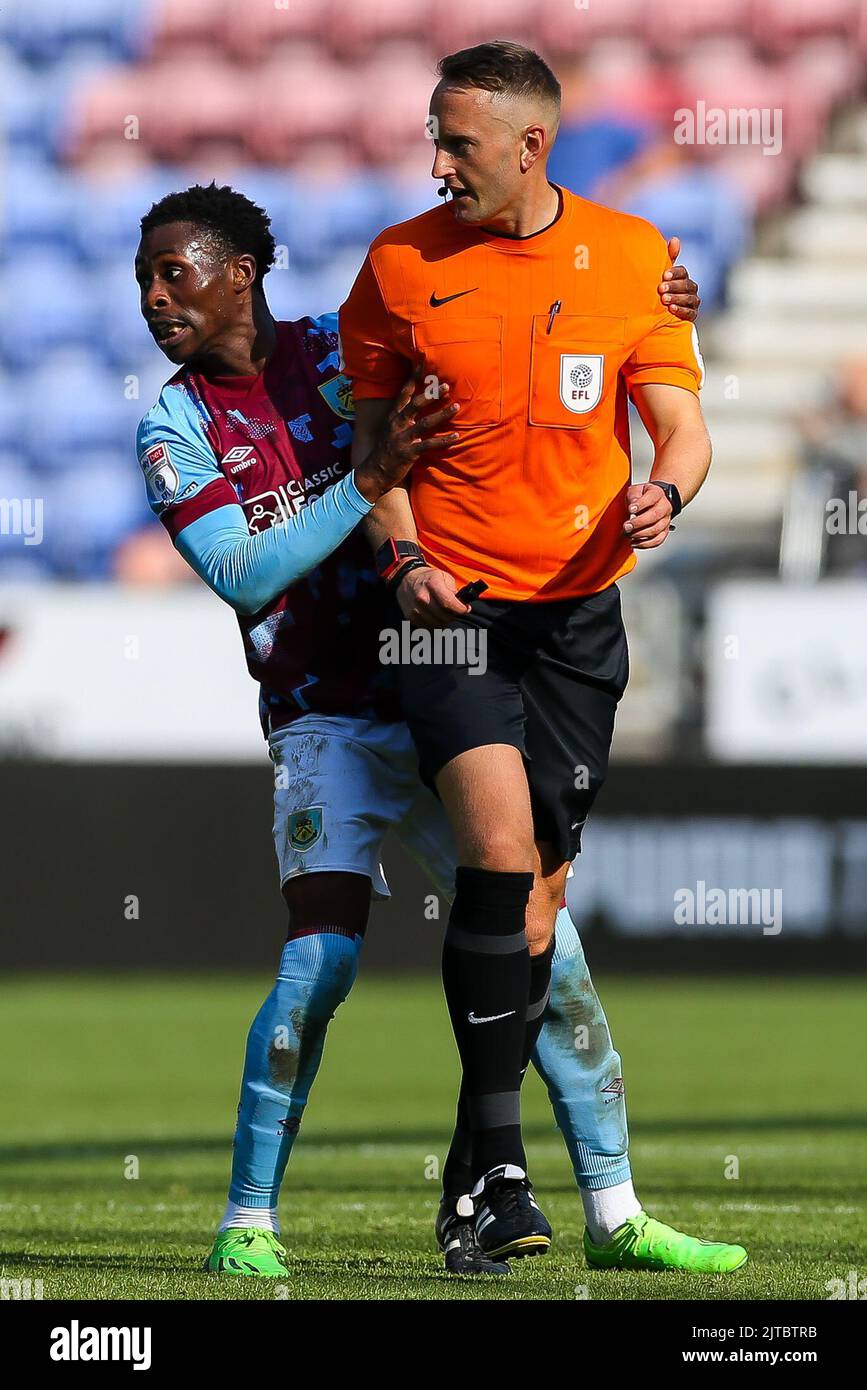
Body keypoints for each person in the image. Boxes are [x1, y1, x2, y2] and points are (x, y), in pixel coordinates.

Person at [135, 181, 745, 1278]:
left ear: (241, 271)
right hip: (323, 715)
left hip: (447, 675)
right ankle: (247, 1217)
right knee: (318, 967)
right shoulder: (174, 425)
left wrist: (650, 297)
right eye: (145, 279)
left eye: (172, 272)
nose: (153, 298)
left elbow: (504, 346)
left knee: (548, 957)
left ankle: (616, 1214)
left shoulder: (345, 346)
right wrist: (367, 480)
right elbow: (242, 569)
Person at [340, 40, 726, 1261]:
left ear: (530, 145)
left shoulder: (633, 260)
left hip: (577, 615)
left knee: (539, 902)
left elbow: (680, 423)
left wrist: (668, 491)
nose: (438, 160)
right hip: (443, 605)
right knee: (498, 851)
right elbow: (369, 458)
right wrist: (404, 557)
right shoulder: (398, 266)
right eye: (433, 137)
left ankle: (474, 1175)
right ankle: (504, 1171)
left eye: (459, 142)